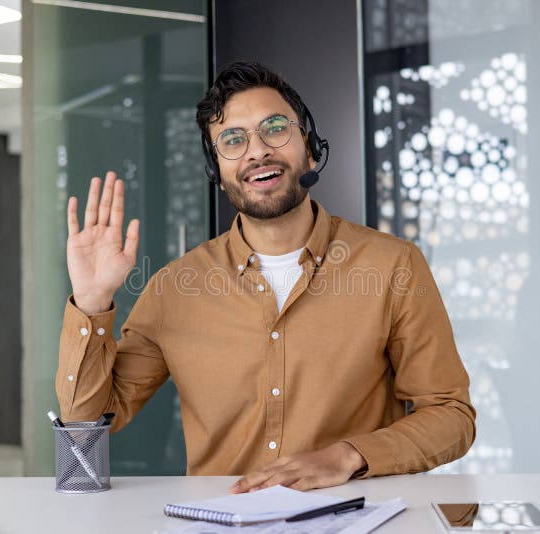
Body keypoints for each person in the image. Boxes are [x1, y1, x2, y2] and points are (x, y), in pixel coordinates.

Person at [57, 61, 475, 493]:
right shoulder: (173, 288)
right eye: (233, 140)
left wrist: (347, 456)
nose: (257, 151)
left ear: (310, 146)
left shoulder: (393, 266)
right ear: (216, 172)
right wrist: (91, 302)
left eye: (275, 128)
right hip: (219, 523)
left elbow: (451, 415)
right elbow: (87, 425)